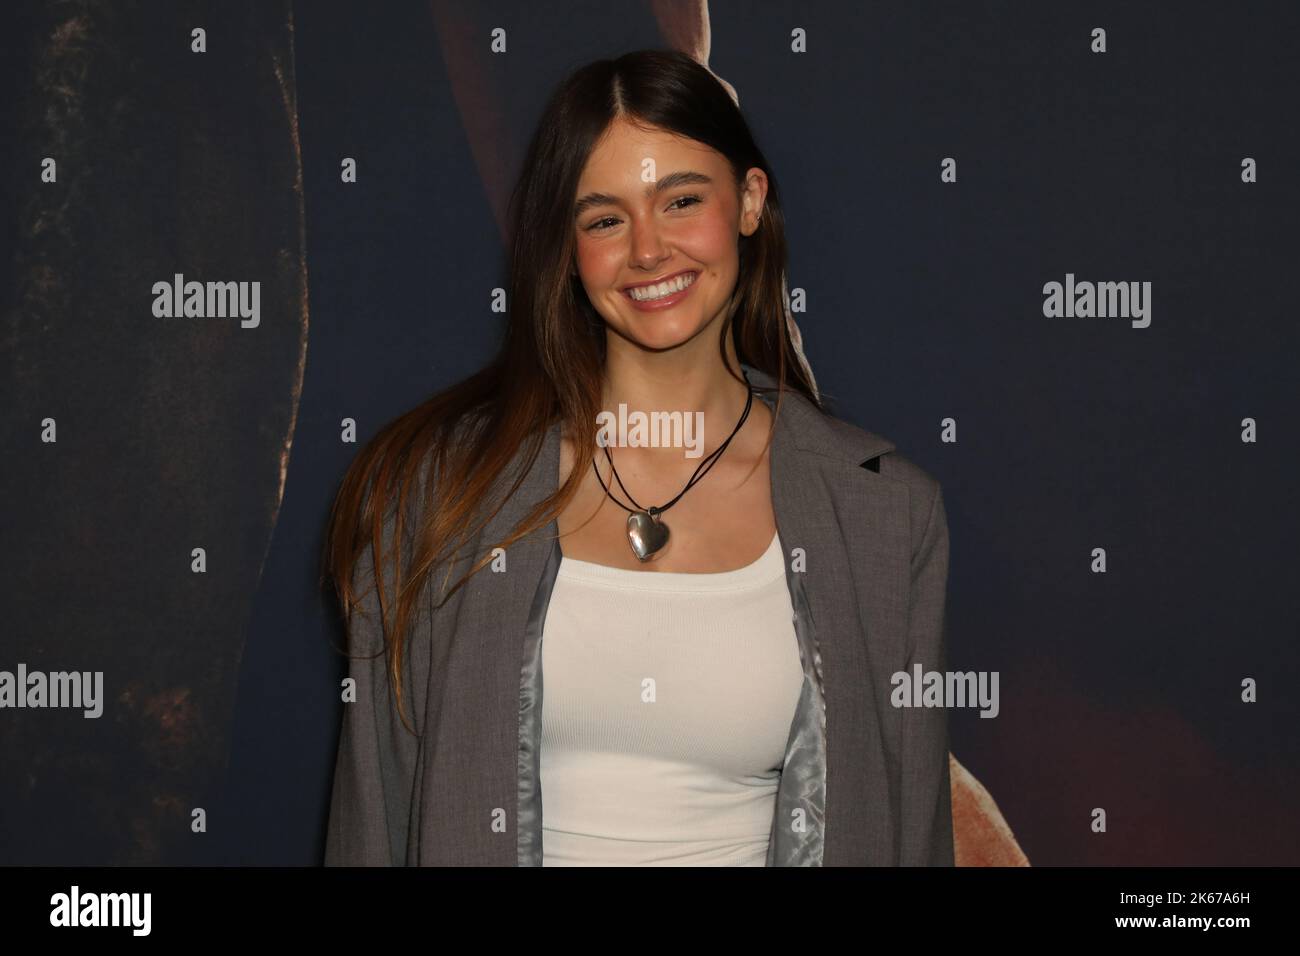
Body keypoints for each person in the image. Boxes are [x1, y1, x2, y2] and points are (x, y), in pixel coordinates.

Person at [322, 49, 954, 866]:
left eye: (681, 200)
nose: (649, 250)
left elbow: (910, 835)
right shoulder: (437, 491)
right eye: (605, 218)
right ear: (567, 246)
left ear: (751, 202)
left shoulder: (885, 514)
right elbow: (371, 826)